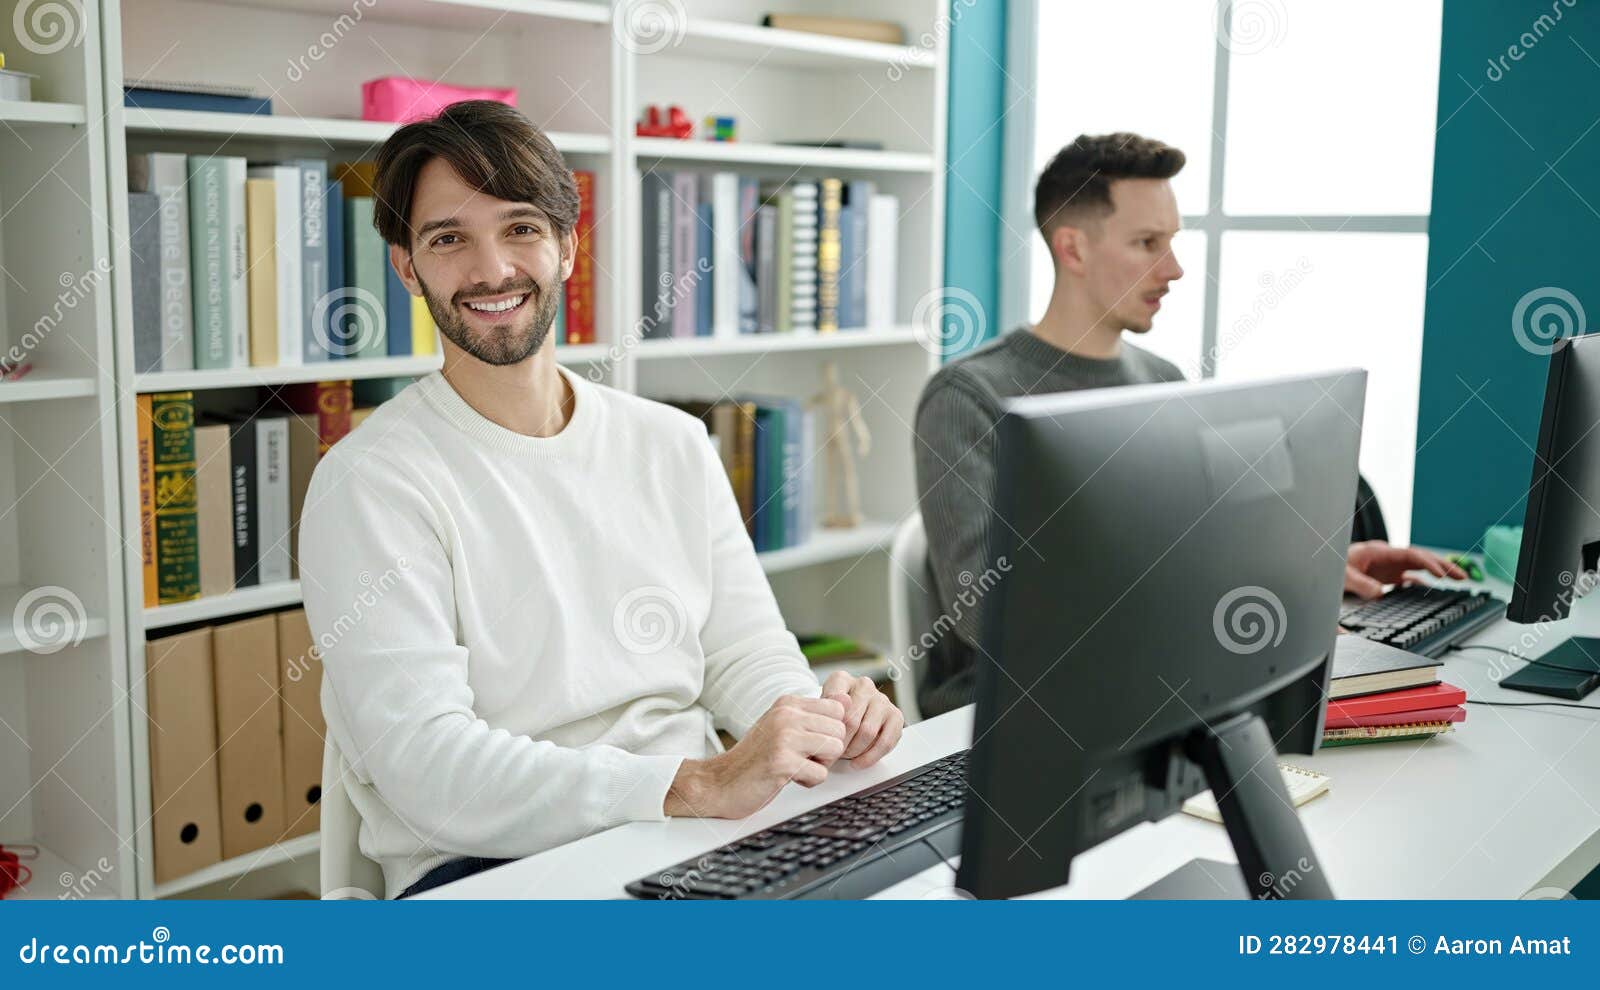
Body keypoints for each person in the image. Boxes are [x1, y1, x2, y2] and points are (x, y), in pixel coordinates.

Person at [299, 101, 903, 899]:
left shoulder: (672, 444)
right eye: (449, 239)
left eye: (521, 228)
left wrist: (814, 725)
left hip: (692, 835)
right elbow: (429, 770)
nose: (490, 270)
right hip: (497, 867)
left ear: (567, 247)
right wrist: (691, 784)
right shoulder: (371, 481)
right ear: (407, 266)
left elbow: (745, 653)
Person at [912, 132, 1464, 718]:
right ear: (1072, 250)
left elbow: (1198, 554)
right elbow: (987, 613)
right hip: (1019, 710)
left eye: (1171, 242)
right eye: (1147, 243)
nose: (1173, 268)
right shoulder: (969, 397)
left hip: (1163, 680)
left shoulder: (1162, 380)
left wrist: (1318, 572)